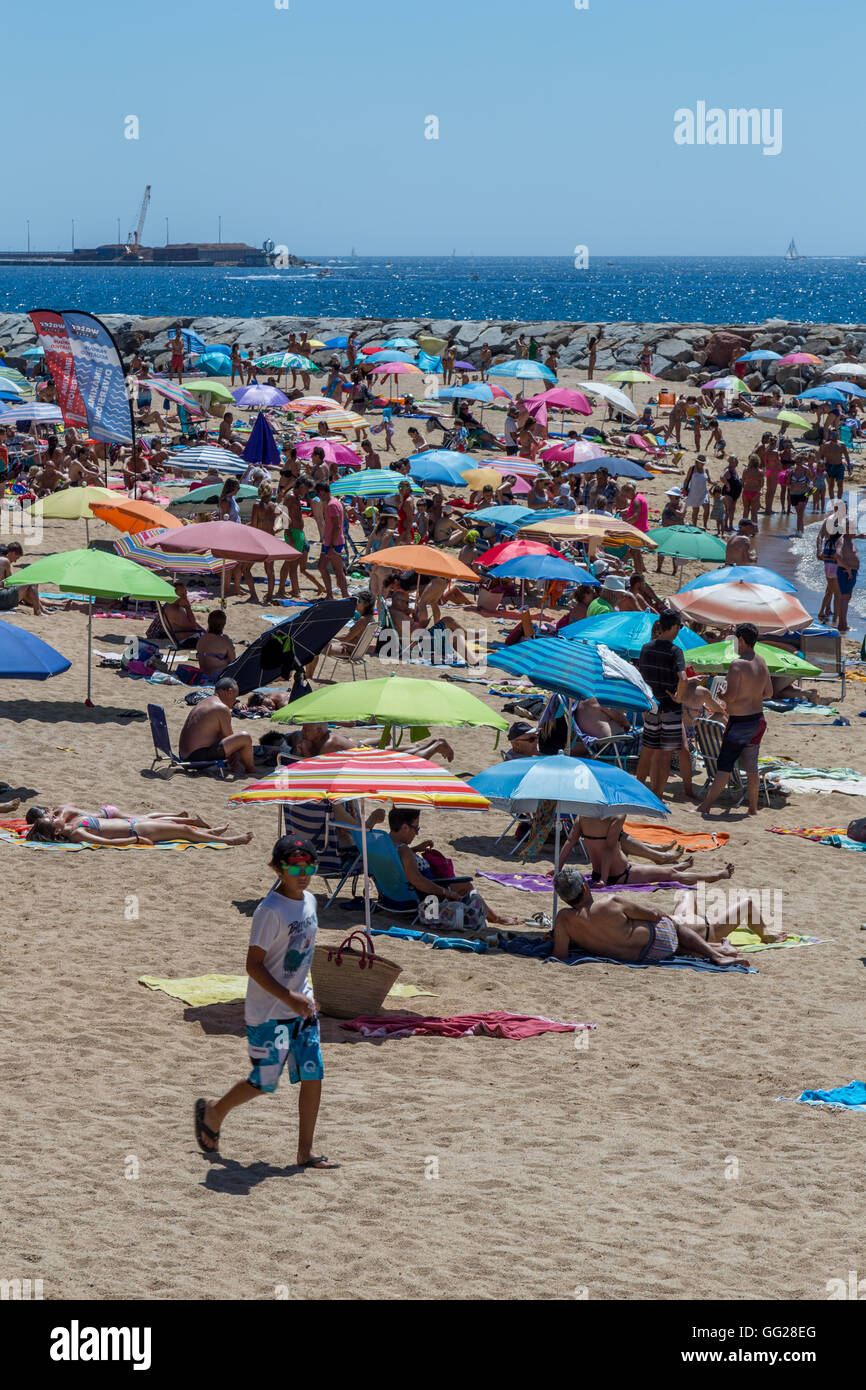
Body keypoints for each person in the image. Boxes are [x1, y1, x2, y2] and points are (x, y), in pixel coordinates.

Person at [194, 835, 337, 1167]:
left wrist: (304, 996)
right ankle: (214, 1111)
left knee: (313, 1075)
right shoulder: (268, 911)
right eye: (294, 866)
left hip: (303, 1009)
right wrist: (289, 996)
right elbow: (252, 965)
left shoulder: (311, 901)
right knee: (265, 1080)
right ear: (277, 868)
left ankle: (305, 1151)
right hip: (271, 1013)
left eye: (310, 865)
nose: (303, 872)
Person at [551, 868, 748, 968]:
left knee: (673, 941)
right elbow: (652, 915)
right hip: (657, 946)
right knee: (674, 926)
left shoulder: (563, 920)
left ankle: (721, 948)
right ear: (585, 887)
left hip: (637, 956)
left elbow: (560, 954)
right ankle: (717, 956)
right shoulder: (609, 903)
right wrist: (661, 914)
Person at [371, 808, 516, 924]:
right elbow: (418, 881)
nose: (416, 833)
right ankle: (495, 918)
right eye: (416, 828)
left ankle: (491, 916)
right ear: (404, 827)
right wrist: (445, 892)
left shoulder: (384, 844)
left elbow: (397, 862)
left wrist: (414, 849)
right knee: (465, 884)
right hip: (421, 896)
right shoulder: (404, 851)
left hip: (391, 897)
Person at [693, 623, 772, 817]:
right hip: (757, 720)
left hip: (740, 722)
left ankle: (706, 806)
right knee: (752, 768)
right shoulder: (762, 661)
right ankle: (752, 809)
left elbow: (732, 697)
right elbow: (769, 693)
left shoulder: (738, 664)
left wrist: (722, 693)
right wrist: (751, 695)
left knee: (725, 766)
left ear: (742, 640)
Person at [556, 814, 734, 887]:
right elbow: (610, 848)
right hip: (619, 873)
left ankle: (663, 859)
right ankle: (718, 875)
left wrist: (557, 868)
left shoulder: (582, 816)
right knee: (672, 874)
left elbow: (570, 841)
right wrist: (604, 880)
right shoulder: (616, 815)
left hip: (598, 872)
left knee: (644, 865)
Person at [635, 608, 688, 799]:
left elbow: (640, 677)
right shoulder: (675, 651)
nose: (679, 630)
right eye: (679, 627)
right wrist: (679, 697)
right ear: (673, 626)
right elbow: (683, 678)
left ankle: (638, 790)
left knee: (647, 750)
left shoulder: (646, 648)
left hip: (651, 705)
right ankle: (657, 795)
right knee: (665, 753)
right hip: (670, 707)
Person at [26, 812, 252, 847]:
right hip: (135, 830)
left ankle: (211, 834)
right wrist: (135, 840)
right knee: (183, 829)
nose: (56, 816)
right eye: (52, 819)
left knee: (176, 826)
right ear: (56, 832)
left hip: (134, 825)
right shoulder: (76, 833)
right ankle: (229, 841)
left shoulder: (71, 825)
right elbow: (107, 843)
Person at [178, 676, 256, 775]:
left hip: (183, 755)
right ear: (229, 692)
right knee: (245, 737)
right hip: (195, 758)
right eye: (235, 697)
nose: (234, 701)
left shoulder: (205, 702)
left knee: (226, 739)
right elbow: (230, 738)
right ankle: (251, 770)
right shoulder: (221, 708)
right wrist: (236, 756)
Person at [316, 483, 349, 599]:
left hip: (333, 542)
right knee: (329, 568)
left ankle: (339, 595)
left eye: (318, 493)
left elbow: (336, 526)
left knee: (335, 570)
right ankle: (335, 594)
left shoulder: (331, 505)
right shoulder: (335, 502)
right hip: (334, 541)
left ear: (322, 491)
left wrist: (330, 546)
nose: (318, 496)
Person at [0, 542, 43, 614]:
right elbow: (10, 583)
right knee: (31, 582)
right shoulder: (4, 561)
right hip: (2, 599)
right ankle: (38, 611)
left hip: (2, 598)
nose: (15, 561)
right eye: (16, 558)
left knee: (28, 592)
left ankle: (50, 606)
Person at [835, 524, 861, 631]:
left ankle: (842, 624)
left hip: (850, 572)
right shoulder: (842, 540)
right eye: (853, 529)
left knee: (845, 597)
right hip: (846, 572)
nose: (855, 531)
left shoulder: (850, 538)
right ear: (846, 530)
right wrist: (848, 569)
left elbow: (861, 535)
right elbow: (837, 556)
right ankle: (843, 625)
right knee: (845, 597)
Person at [196, 609, 236, 677]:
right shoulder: (225, 641)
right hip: (217, 676)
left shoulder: (201, 639)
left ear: (209, 622)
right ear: (223, 625)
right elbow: (233, 662)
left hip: (203, 675)